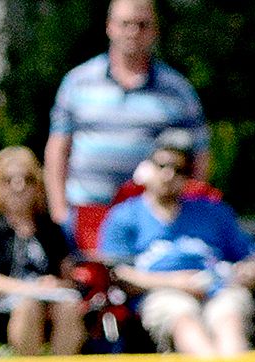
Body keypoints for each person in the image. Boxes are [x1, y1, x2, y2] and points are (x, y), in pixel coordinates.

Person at [96, 131, 255, 362]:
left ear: (188, 176)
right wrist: (176, 282)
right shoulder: (125, 215)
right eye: (162, 166)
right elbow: (117, 273)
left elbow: (251, 259)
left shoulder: (213, 212)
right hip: (161, 292)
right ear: (147, 168)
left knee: (229, 314)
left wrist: (249, 272)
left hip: (218, 286)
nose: (169, 174)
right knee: (182, 316)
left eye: (179, 169)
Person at [44, 0, 208, 232]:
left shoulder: (178, 90)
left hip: (152, 218)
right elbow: (57, 150)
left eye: (142, 25)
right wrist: (59, 211)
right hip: (86, 214)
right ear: (109, 27)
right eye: (125, 24)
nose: (133, 32)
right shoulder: (77, 82)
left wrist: (189, 210)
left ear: (154, 30)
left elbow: (200, 155)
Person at [0, 148, 85, 362]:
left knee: (69, 308)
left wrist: (56, 284)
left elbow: (71, 279)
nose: (19, 186)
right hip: (1, 306)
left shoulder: (50, 229)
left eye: (27, 179)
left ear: (37, 185)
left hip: (51, 304)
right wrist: (28, 289)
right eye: (9, 180)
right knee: (29, 305)